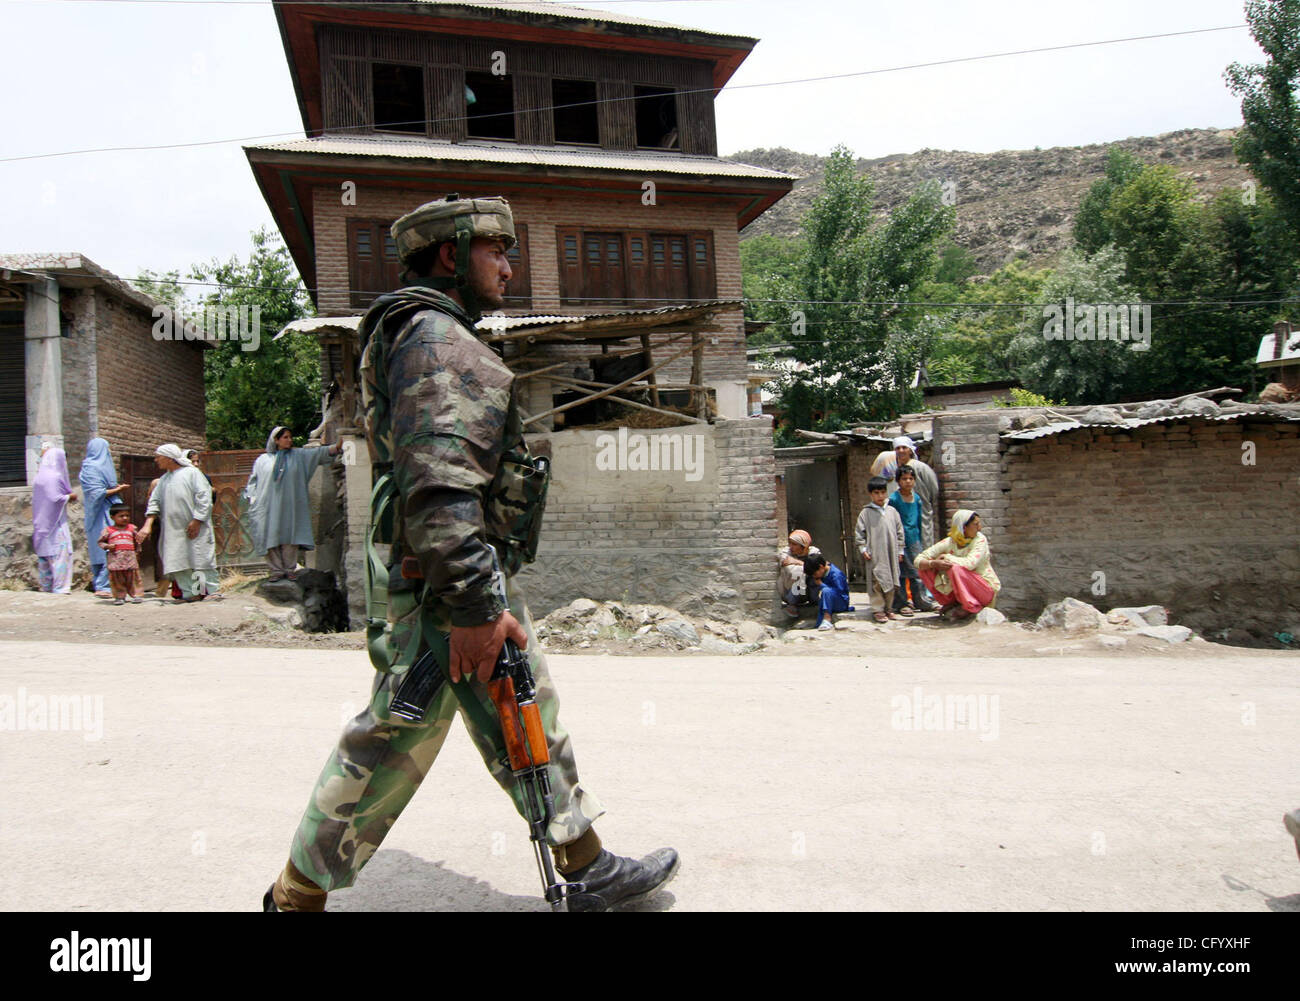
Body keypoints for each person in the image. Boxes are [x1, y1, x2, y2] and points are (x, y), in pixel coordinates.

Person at [264, 194, 677, 913]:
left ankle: (583, 860)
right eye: (498, 251)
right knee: (396, 733)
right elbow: (440, 488)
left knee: (523, 702)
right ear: (453, 255)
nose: (511, 268)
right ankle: (294, 897)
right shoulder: (437, 343)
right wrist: (477, 607)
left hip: (454, 577)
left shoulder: (429, 335)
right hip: (445, 589)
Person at [244, 426, 341, 581]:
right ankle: (276, 570)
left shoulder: (298, 456)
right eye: (285, 437)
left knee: (290, 536)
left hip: (291, 506)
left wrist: (338, 445)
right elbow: (253, 482)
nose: (289, 440)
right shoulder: (262, 460)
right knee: (270, 535)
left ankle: (290, 569)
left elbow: (318, 453)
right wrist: (252, 499)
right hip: (267, 506)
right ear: (276, 440)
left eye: (290, 437)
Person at [139, 444, 221, 603]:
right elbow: (154, 502)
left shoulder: (192, 474)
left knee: (199, 558)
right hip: (173, 529)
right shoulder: (164, 479)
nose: (156, 460)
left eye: (158, 456)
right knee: (178, 560)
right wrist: (147, 525)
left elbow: (204, 498)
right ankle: (191, 593)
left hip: (195, 527)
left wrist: (197, 520)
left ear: (170, 458)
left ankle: (211, 591)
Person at [916, 509, 1001, 620]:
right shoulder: (950, 542)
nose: (979, 528)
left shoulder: (980, 540)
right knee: (925, 568)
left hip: (984, 590)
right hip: (961, 589)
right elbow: (918, 560)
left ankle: (970, 606)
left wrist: (947, 557)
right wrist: (933, 563)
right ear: (963, 527)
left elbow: (970, 564)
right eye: (976, 524)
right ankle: (951, 602)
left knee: (954, 568)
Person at [79, 437, 130, 598]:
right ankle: (102, 585)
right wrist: (117, 490)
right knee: (107, 545)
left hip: (108, 510)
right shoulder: (91, 468)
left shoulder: (100, 467)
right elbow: (95, 493)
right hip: (100, 513)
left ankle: (109, 584)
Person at [870, 436, 940, 547]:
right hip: (901, 513)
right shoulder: (892, 468)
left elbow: (934, 489)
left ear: (910, 450)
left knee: (923, 544)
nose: (901, 451)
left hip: (921, 513)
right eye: (898, 448)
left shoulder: (921, 468)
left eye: (904, 448)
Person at [887, 465, 937, 615]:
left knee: (918, 572)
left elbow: (919, 521)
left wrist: (921, 539)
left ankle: (921, 601)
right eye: (904, 479)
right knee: (901, 573)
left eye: (910, 478)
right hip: (899, 541)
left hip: (914, 540)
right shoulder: (894, 500)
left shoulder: (917, 498)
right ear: (898, 481)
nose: (908, 481)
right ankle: (902, 603)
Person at [854, 475, 904, 623]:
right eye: (876, 493)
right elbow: (859, 533)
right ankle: (878, 609)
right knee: (877, 581)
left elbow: (900, 532)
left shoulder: (892, 512)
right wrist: (863, 549)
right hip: (875, 553)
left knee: (892, 579)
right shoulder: (866, 513)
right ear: (870, 494)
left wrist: (900, 550)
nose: (880, 496)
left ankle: (889, 608)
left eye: (882, 492)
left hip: (891, 553)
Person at [32, 446, 78, 594]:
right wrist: (70, 497)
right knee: (60, 556)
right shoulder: (55, 476)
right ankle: (60, 588)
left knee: (45, 557)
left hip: (41, 525)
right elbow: (55, 499)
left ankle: (46, 588)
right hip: (55, 523)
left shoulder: (38, 476)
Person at [97, 503, 144, 605]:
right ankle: (119, 596)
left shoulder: (132, 529)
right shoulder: (108, 530)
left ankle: (136, 595)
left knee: (133, 578)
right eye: (121, 516)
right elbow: (100, 542)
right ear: (112, 517)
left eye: (127, 515)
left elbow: (138, 541)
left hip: (130, 558)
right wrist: (108, 546)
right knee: (117, 579)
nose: (125, 518)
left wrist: (137, 552)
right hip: (116, 560)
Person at [803, 553, 854, 631]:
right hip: (828, 602)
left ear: (821, 567)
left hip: (841, 603)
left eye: (815, 574)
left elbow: (841, 594)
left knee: (826, 591)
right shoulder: (821, 574)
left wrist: (822, 585)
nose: (814, 576)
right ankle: (819, 623)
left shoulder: (836, 575)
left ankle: (827, 619)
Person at [777, 529, 820, 617]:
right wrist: (806, 566)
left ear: (804, 546)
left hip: (807, 593)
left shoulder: (813, 552)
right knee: (798, 572)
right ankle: (792, 604)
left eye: (794, 544)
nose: (791, 547)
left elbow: (817, 566)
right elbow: (785, 562)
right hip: (789, 592)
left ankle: (814, 600)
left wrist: (797, 562)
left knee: (815, 573)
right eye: (790, 543)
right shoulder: (786, 551)